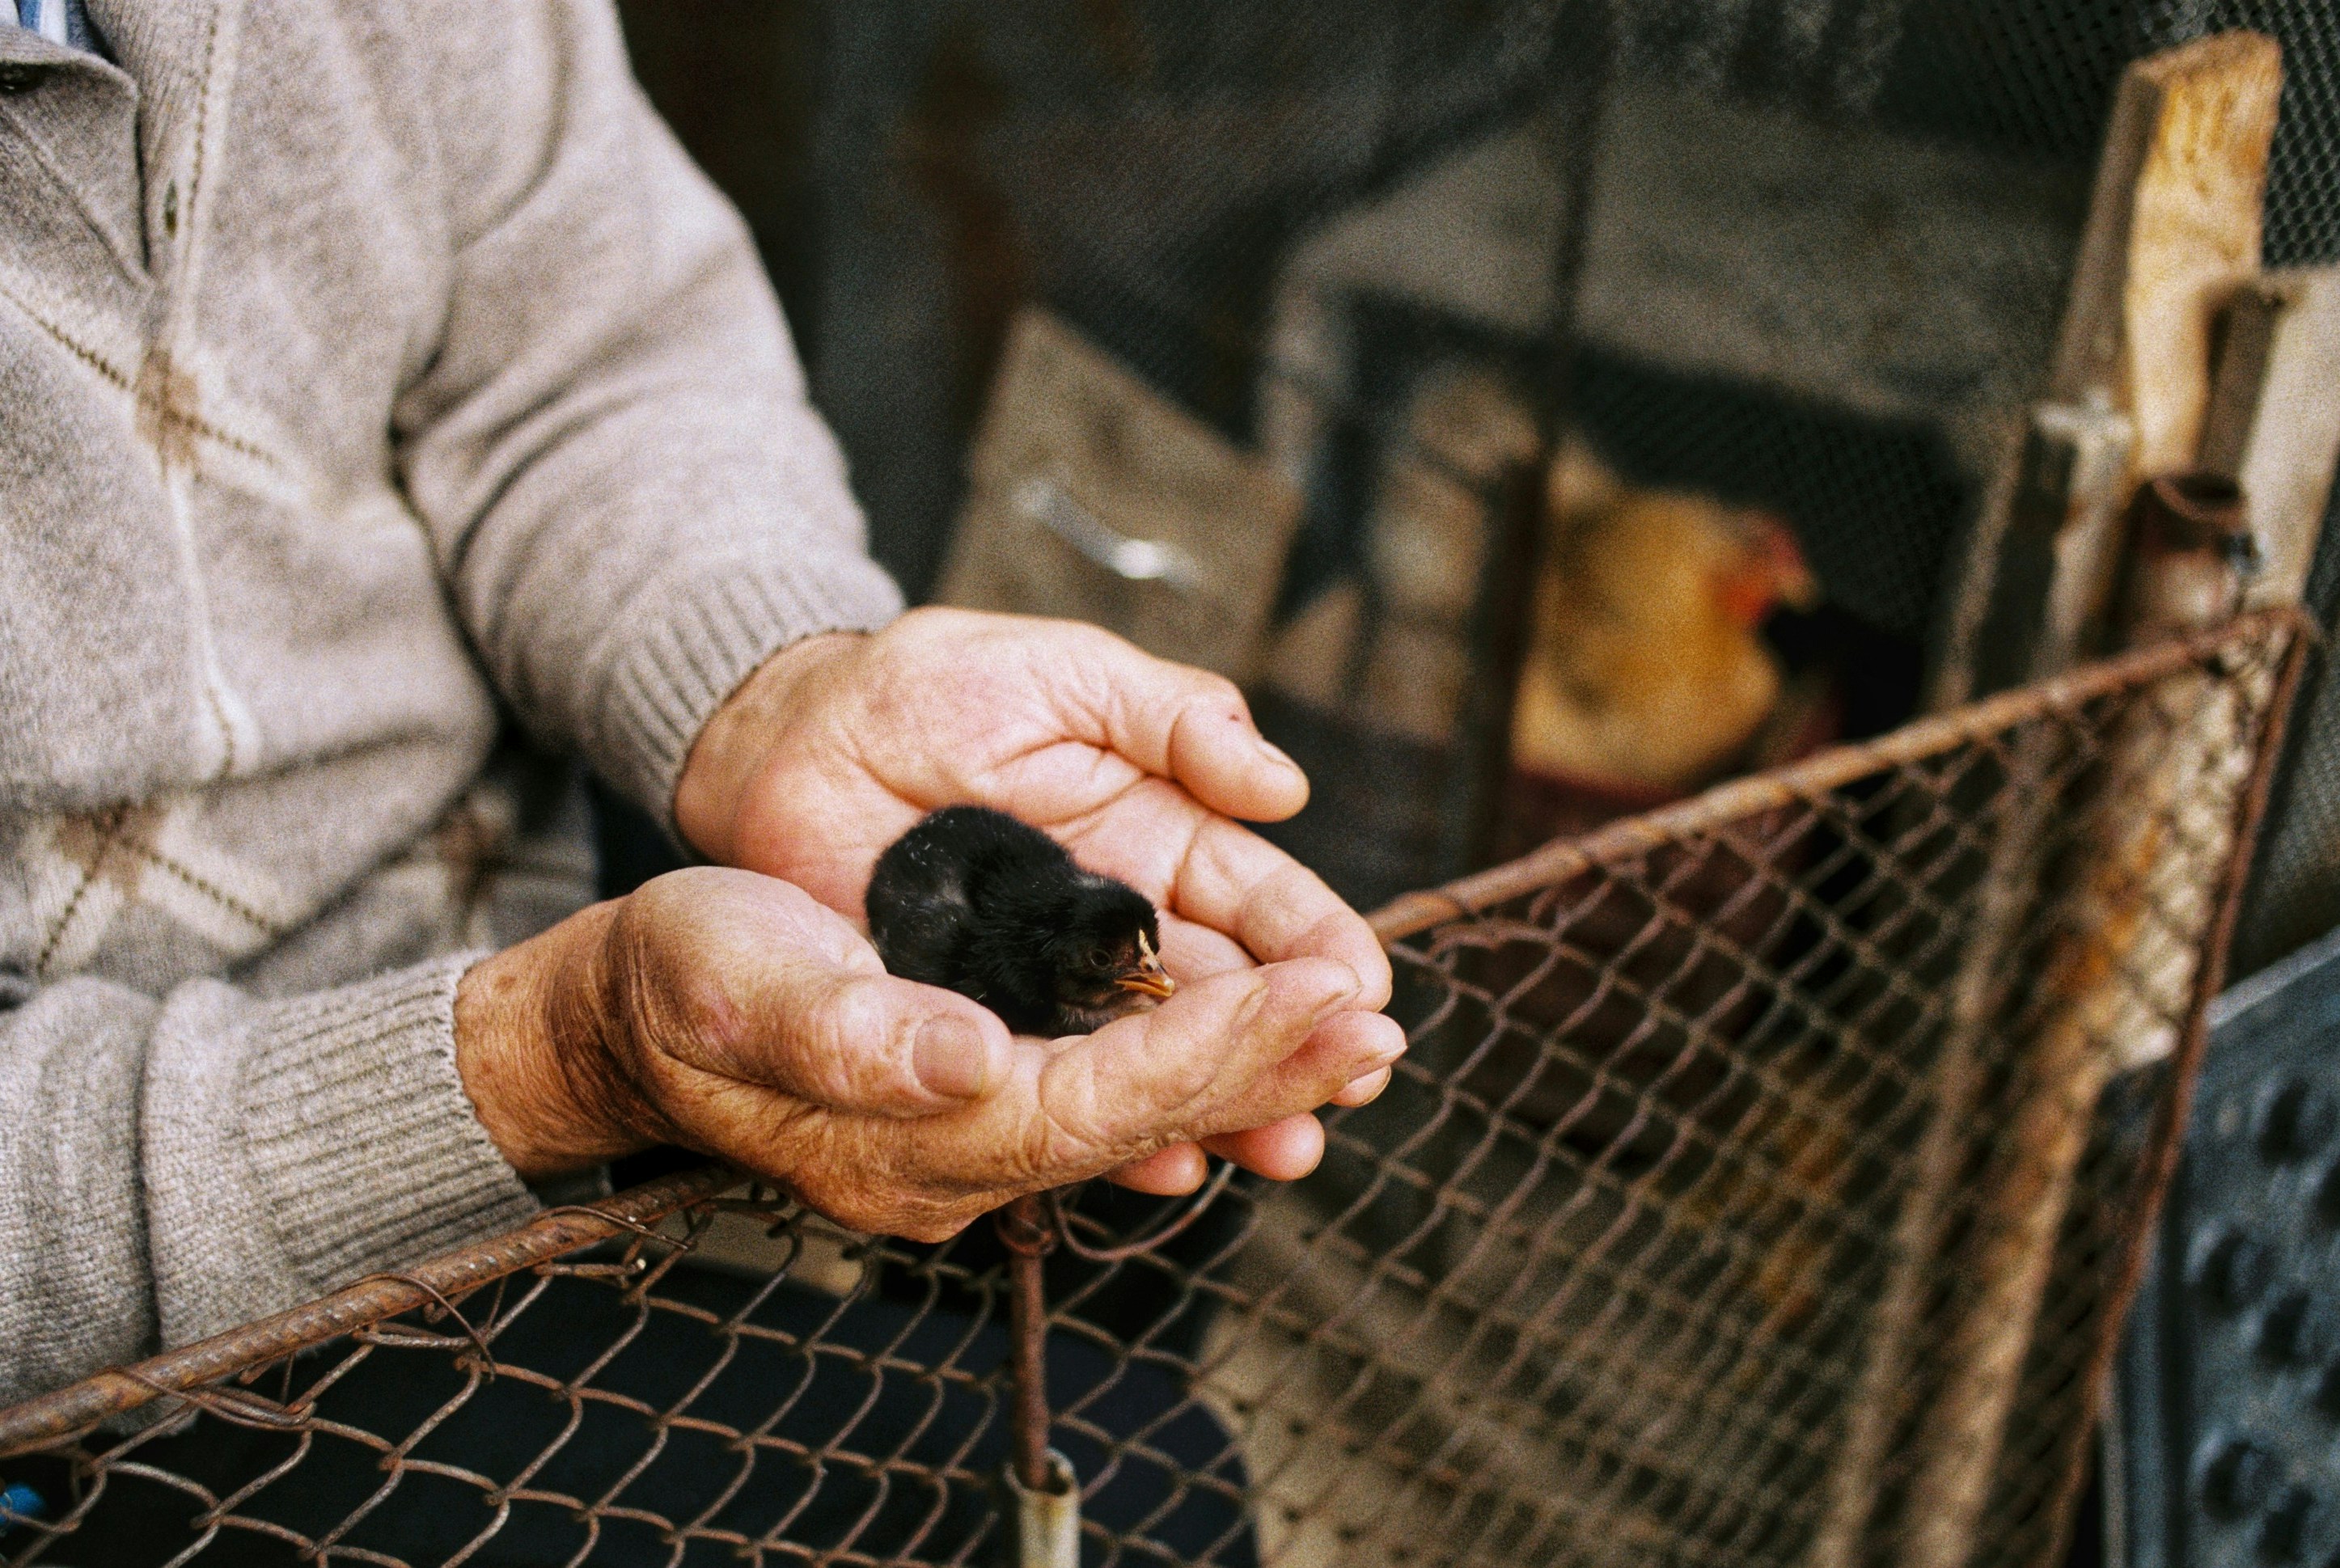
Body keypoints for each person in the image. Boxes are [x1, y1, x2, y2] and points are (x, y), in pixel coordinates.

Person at [0, 0, 1403, 1413]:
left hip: (519, 871)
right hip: (133, 1286)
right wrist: (543, 1062)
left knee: (1140, 1196)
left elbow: (588, 351)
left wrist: (767, 686)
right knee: (1150, 1488)